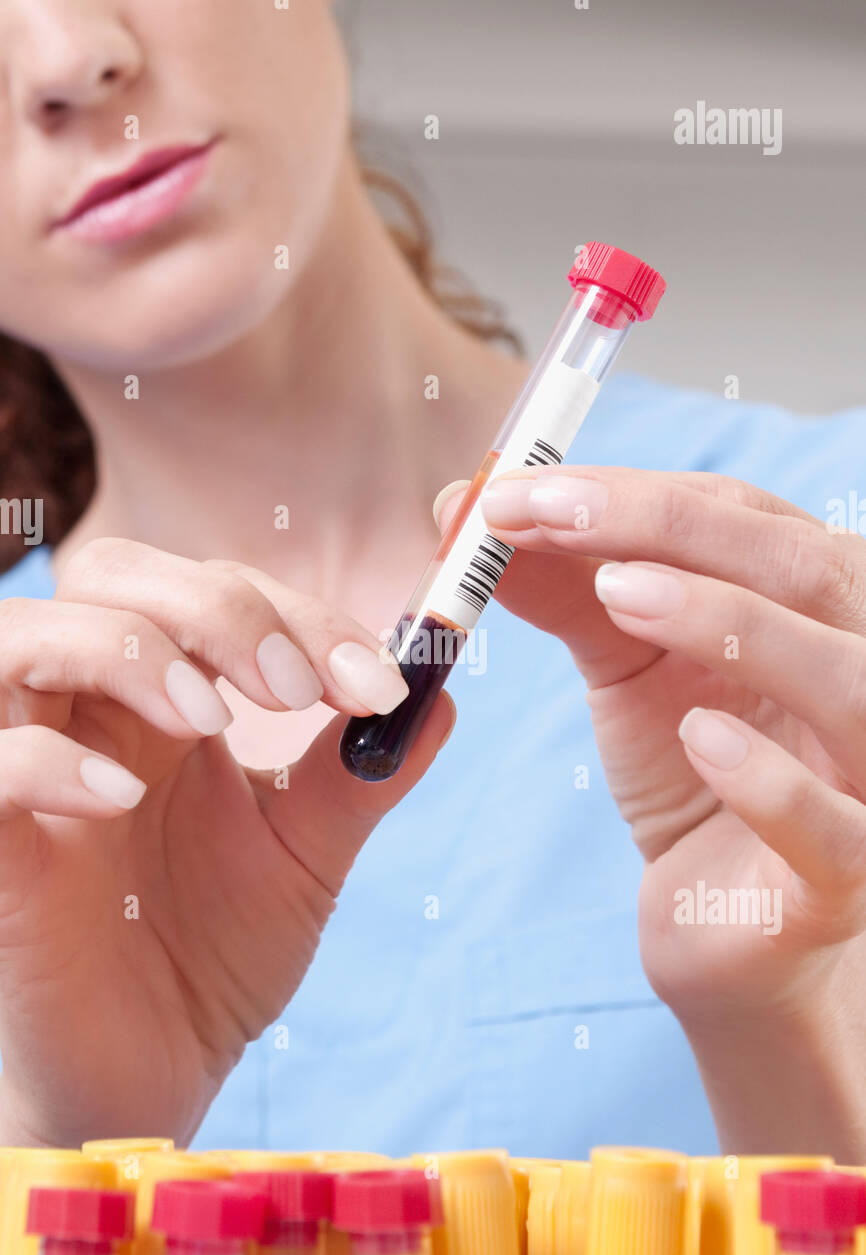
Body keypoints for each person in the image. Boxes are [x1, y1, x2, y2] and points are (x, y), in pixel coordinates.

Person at [1, 0, 865, 1163]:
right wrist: (71, 1162)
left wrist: (773, 1020)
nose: (66, 59)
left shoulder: (820, 576)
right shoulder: (20, 761)